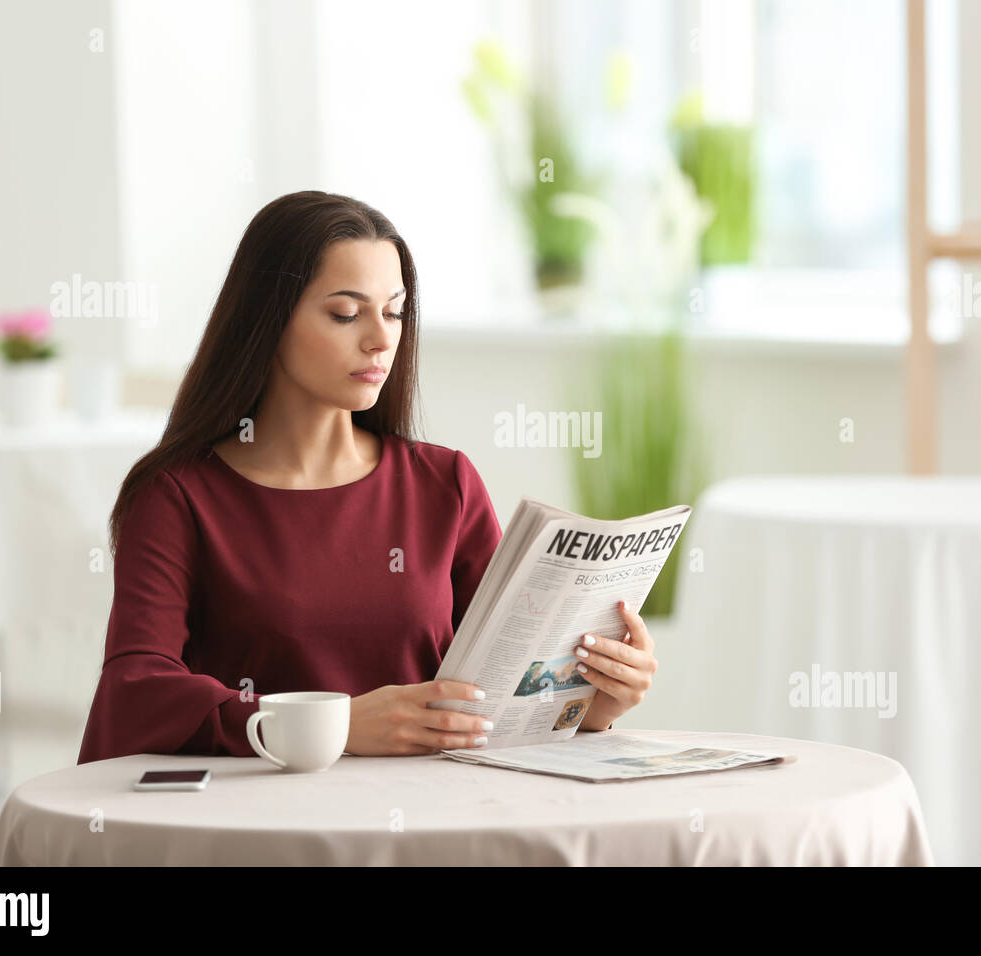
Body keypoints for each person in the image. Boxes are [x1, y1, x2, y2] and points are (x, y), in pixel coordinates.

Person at [77, 191, 656, 763]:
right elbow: (138, 691)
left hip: (435, 820)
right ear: (267, 319)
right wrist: (335, 725)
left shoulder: (445, 483)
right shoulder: (177, 496)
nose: (381, 338)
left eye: (395, 311)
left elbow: (496, 685)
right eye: (346, 313)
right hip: (264, 828)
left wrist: (594, 703)